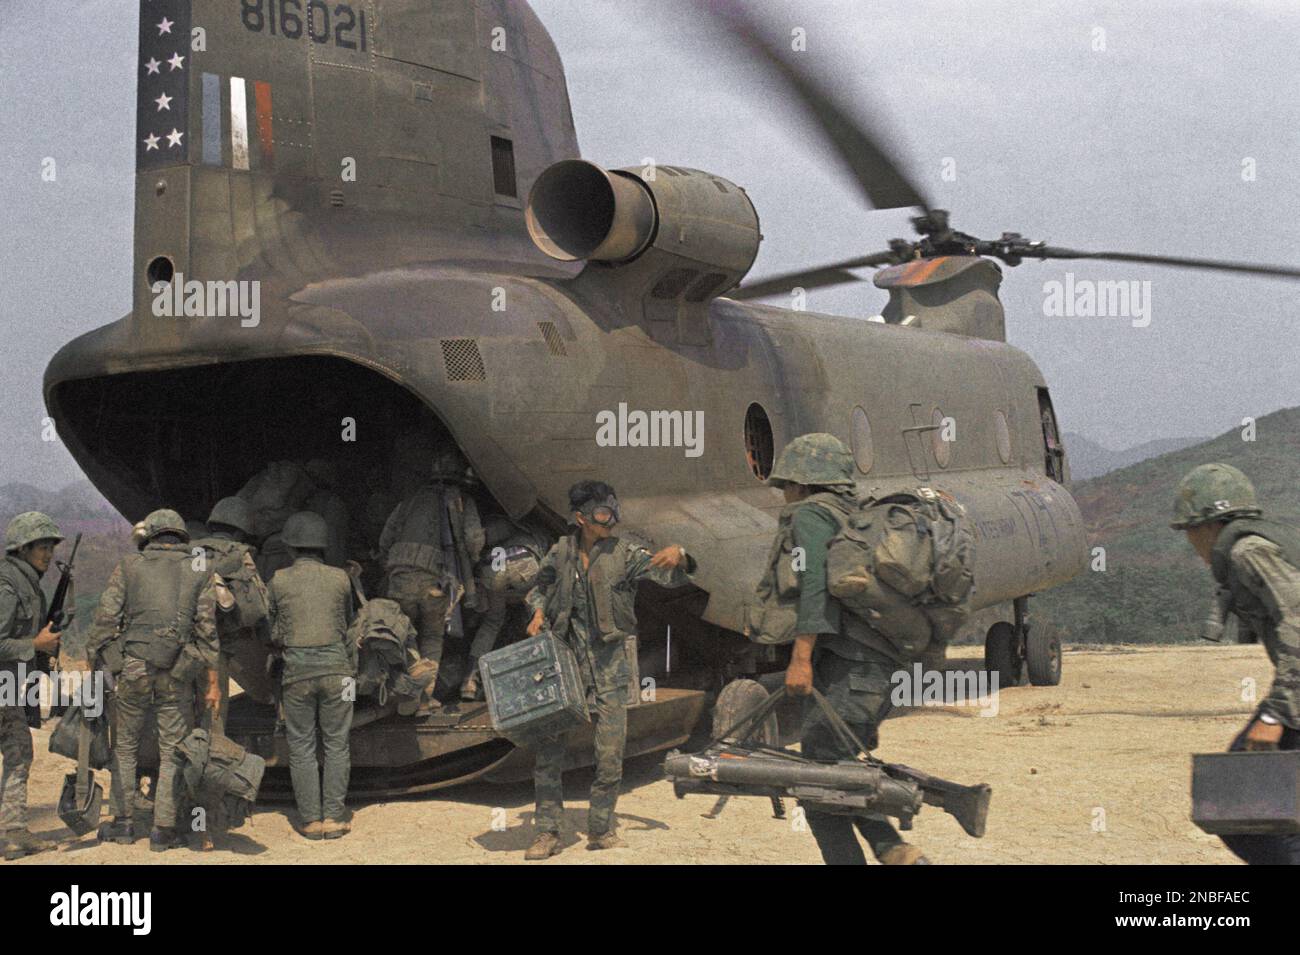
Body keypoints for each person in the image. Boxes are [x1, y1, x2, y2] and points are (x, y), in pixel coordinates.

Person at [764, 433, 928, 865]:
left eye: (786, 484)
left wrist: (800, 659)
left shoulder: (812, 517)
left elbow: (814, 589)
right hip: (878, 669)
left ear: (802, 483)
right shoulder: (854, 516)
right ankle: (895, 852)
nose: (784, 493)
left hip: (854, 670)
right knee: (840, 773)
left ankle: (890, 851)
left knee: (818, 783)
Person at [522, 480, 695, 859]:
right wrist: (537, 611)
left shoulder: (625, 554)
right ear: (581, 517)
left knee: (610, 752)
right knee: (549, 751)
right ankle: (547, 831)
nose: (611, 520)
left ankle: (600, 829)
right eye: (603, 514)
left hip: (611, 665)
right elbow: (540, 586)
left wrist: (679, 555)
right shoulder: (560, 552)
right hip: (565, 665)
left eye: (614, 510)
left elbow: (664, 572)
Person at [1171, 462, 1300, 865]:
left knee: (1237, 804)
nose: (1191, 542)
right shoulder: (1259, 545)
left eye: (1190, 530)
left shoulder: (1249, 552)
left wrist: (1275, 716)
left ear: (1209, 524)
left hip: (1293, 702)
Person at [88, 509, 221, 851]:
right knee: (172, 749)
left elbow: (105, 619)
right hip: (177, 672)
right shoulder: (199, 567)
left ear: (152, 536)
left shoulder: (130, 565)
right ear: (180, 536)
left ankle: (123, 822)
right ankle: (164, 828)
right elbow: (207, 631)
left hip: (132, 667)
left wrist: (98, 660)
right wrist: (212, 683)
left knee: (126, 745)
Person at [267, 512, 356, 840]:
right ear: (323, 546)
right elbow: (347, 622)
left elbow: (272, 630)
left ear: (290, 547)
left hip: (297, 676)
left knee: (302, 745)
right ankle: (334, 817)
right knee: (337, 743)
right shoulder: (341, 578)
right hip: (341, 675)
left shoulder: (277, 580)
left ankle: (311, 821)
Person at [379, 448, 485, 707]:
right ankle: (425, 696)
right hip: (436, 582)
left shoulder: (410, 500)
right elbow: (474, 541)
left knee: (404, 634)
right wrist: (471, 564)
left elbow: (386, 538)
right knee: (432, 637)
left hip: (400, 579)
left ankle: (404, 690)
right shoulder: (462, 501)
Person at [0, 512, 65, 860]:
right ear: (22, 548)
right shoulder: (7, 583)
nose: (48, 553)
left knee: (18, 752)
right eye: (41, 546)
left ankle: (13, 832)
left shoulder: (26, 582)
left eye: (50, 546)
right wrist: (35, 645)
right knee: (18, 752)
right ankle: (12, 833)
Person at [461, 516, 547, 700]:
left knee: (493, 621)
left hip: (492, 569)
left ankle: (469, 679)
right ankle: (544, 675)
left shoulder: (501, 527)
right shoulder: (537, 528)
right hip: (524, 564)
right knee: (538, 612)